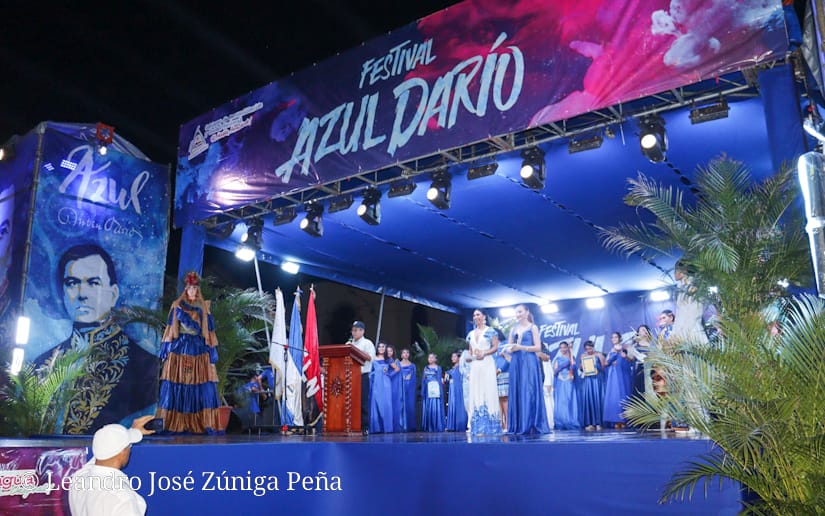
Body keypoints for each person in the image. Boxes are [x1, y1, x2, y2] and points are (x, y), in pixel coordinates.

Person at [34, 243, 159, 434]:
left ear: (113, 294)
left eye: (93, 283)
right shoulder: (42, 364)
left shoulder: (145, 366)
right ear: (63, 293)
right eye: (72, 283)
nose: (82, 294)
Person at [156, 272, 221, 433]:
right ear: (186, 288)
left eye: (194, 288)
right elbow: (171, 327)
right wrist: (166, 346)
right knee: (176, 382)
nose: (192, 290)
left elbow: (208, 329)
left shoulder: (203, 306)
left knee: (199, 383)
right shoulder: (177, 304)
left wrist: (211, 348)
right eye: (190, 287)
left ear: (197, 289)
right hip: (179, 347)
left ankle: (199, 422)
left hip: (198, 348)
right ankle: (174, 422)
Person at [67, 415, 155, 516]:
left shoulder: (79, 479)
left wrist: (134, 432)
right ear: (122, 452)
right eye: (128, 446)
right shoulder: (122, 498)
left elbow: (101, 453)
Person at [504, 304, 550, 435]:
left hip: (529, 362)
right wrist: (510, 348)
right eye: (516, 312)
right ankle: (518, 424)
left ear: (526, 312)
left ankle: (531, 423)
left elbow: (538, 348)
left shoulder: (533, 327)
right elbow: (509, 346)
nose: (517, 314)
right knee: (517, 390)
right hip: (516, 362)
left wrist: (521, 347)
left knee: (528, 390)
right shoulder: (513, 329)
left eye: (520, 312)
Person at [465, 309, 502, 435]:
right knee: (476, 392)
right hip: (475, 365)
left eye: (478, 314)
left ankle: (491, 427)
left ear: (484, 316)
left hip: (487, 363)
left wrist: (484, 352)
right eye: (474, 315)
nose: (476, 317)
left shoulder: (490, 331)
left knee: (488, 391)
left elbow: (495, 347)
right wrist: (470, 357)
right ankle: (478, 427)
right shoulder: (470, 333)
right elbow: (471, 351)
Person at [603, 332, 633, 429]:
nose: (614, 339)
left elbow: (631, 359)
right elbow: (606, 363)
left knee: (624, 395)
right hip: (613, 375)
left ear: (620, 338)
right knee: (614, 396)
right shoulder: (611, 350)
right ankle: (615, 420)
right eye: (612, 337)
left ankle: (624, 420)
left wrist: (623, 354)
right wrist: (612, 357)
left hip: (623, 373)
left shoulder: (626, 347)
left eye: (616, 337)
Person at [350, 320, 375, 435]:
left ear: (362, 331)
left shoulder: (367, 343)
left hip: (362, 376)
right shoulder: (349, 344)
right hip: (349, 377)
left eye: (356, 330)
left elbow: (370, 358)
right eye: (353, 330)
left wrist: (355, 351)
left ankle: (364, 427)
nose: (353, 332)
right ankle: (351, 426)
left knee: (362, 402)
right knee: (350, 402)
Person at [578, 340, 606, 430]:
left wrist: (595, 365)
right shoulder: (583, 356)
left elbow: (603, 367)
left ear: (593, 347)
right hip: (588, 380)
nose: (589, 350)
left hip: (597, 379)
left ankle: (599, 423)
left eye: (590, 348)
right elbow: (581, 368)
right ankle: (590, 423)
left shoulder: (599, 355)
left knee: (597, 400)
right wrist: (582, 367)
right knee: (589, 400)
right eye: (586, 349)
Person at [369, 342, 396, 433]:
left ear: (385, 348)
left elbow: (397, 369)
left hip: (386, 383)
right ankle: (377, 427)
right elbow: (370, 371)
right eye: (379, 347)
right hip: (376, 383)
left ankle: (386, 427)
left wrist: (389, 374)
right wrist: (374, 374)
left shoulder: (388, 359)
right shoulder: (373, 358)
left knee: (386, 403)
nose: (381, 348)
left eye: (383, 346)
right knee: (376, 403)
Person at [552, 341, 580, 430]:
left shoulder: (571, 357)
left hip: (569, 379)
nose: (563, 349)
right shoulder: (558, 359)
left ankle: (570, 420)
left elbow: (574, 366)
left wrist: (571, 351)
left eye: (564, 347)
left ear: (567, 348)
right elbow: (555, 371)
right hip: (560, 380)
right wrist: (560, 370)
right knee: (561, 401)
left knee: (569, 399)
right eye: (561, 348)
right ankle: (561, 421)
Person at [420, 353, 444, 432]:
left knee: (435, 406)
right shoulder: (425, 368)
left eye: (432, 357)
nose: (430, 359)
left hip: (435, 389)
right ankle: (429, 426)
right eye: (429, 357)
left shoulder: (438, 368)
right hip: (428, 389)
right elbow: (423, 379)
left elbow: (439, 379)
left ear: (435, 359)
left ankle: (437, 425)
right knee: (428, 407)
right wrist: (423, 390)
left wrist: (440, 391)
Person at [445, 352, 468, 431]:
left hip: (458, 388)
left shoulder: (460, 367)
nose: (452, 358)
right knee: (452, 404)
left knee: (458, 404)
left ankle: (460, 424)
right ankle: (452, 425)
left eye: (454, 356)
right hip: (452, 388)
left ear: (459, 358)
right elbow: (447, 380)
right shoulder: (452, 368)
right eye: (452, 357)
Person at [398, 348, 417, 431]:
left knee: (410, 405)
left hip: (410, 387)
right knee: (401, 404)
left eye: (407, 353)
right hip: (401, 386)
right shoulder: (398, 364)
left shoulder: (413, 365)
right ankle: (401, 425)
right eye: (404, 353)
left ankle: (410, 425)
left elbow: (414, 377)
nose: (405, 354)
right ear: (401, 355)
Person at [385, 345, 403, 432]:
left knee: (392, 403)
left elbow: (397, 369)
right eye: (387, 351)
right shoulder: (386, 360)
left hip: (393, 383)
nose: (389, 353)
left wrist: (389, 375)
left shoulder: (391, 360)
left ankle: (393, 425)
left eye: (391, 351)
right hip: (389, 383)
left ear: (393, 352)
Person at [537, 346, 555, 431]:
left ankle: (549, 422)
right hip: (539, 383)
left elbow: (548, 372)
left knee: (547, 402)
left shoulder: (546, 362)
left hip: (546, 383)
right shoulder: (537, 361)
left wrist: (548, 383)